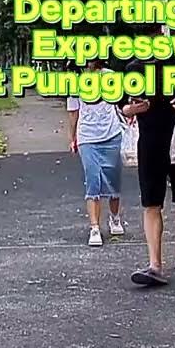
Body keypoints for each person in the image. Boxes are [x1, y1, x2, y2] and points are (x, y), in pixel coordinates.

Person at [121, 29, 175, 286]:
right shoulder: (133, 68)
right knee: (151, 201)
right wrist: (134, 108)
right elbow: (123, 107)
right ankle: (155, 264)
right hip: (151, 141)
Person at [66, 58, 127, 247]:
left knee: (113, 178)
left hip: (111, 133)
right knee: (93, 180)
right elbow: (73, 111)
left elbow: (121, 102)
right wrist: (72, 137)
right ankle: (94, 227)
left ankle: (115, 218)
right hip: (88, 137)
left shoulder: (109, 76)